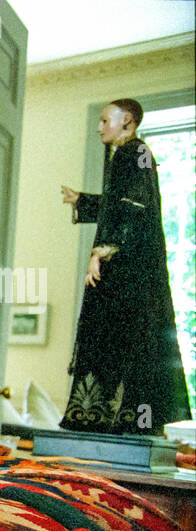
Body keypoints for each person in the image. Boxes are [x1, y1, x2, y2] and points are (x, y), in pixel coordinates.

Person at [58, 98, 190, 435]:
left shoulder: (134, 153)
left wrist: (101, 251)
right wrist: (83, 201)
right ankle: (126, 421)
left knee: (115, 334)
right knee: (127, 336)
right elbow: (123, 202)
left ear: (127, 121)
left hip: (127, 270)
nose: (100, 126)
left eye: (106, 120)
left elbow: (133, 204)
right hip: (134, 268)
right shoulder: (134, 155)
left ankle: (111, 421)